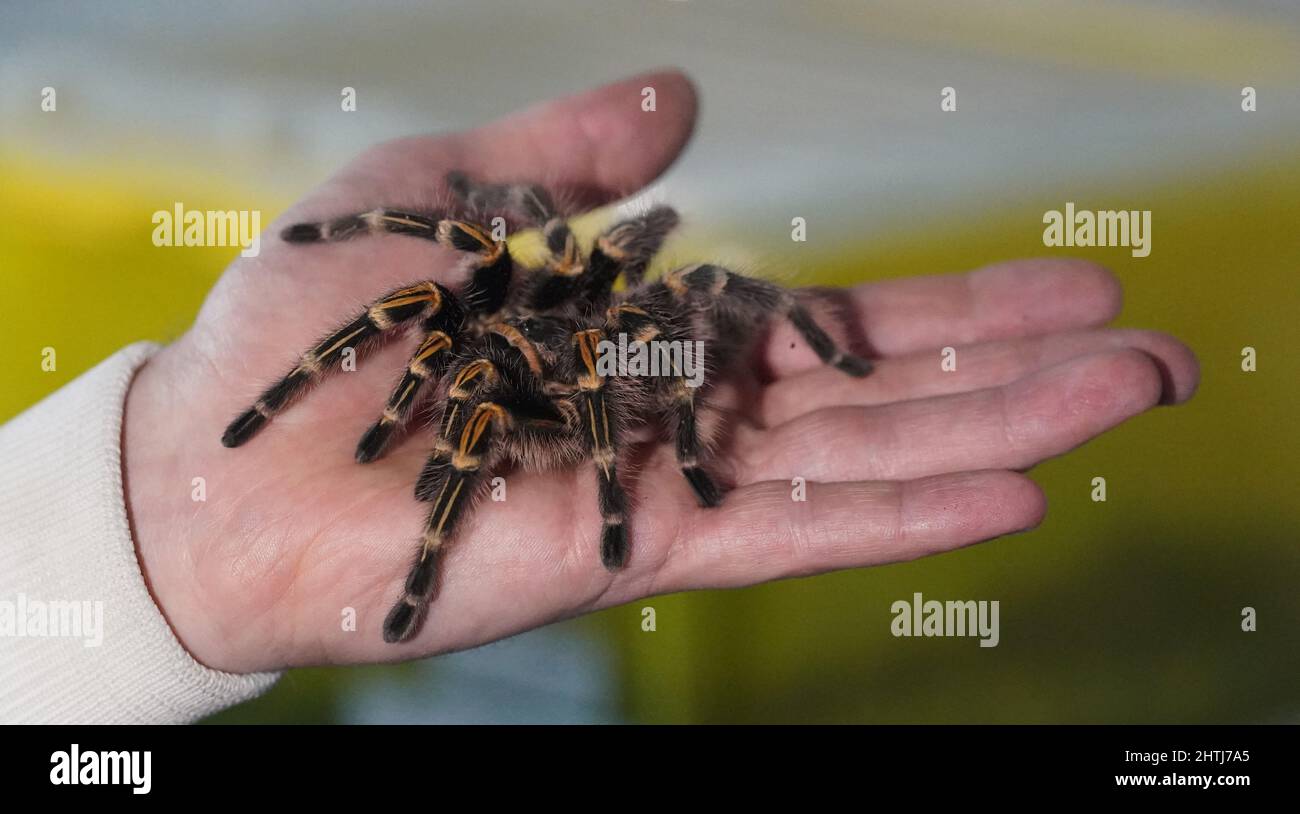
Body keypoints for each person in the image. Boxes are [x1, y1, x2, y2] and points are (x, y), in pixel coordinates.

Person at [0, 70, 1199, 723]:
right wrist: (198, 465)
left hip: (610, 388)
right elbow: (465, 271)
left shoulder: (621, 323)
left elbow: (669, 301)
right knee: (464, 317)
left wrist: (675, 446)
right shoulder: (495, 303)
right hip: (538, 370)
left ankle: (447, 541)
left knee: (674, 301)